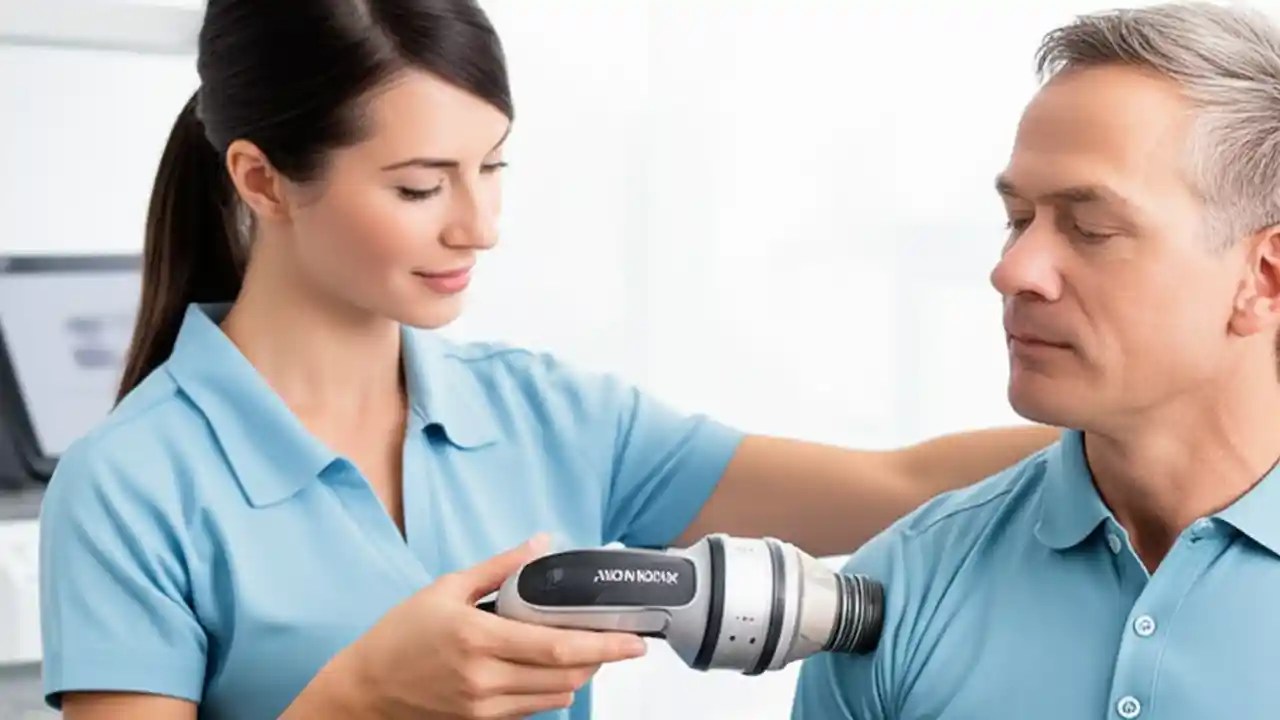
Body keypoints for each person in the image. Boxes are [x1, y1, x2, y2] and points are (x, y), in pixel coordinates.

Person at [36, 2, 1056, 719]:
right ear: (261, 180)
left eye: (492, 167)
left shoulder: (543, 415)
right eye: (419, 186)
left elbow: (899, 485)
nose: (479, 227)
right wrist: (364, 700)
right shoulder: (131, 486)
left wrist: (1175, 415)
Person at [790, 3, 1280, 719]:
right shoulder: (899, 592)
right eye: (1018, 220)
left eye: (1090, 228)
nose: (1014, 269)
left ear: (1263, 277)